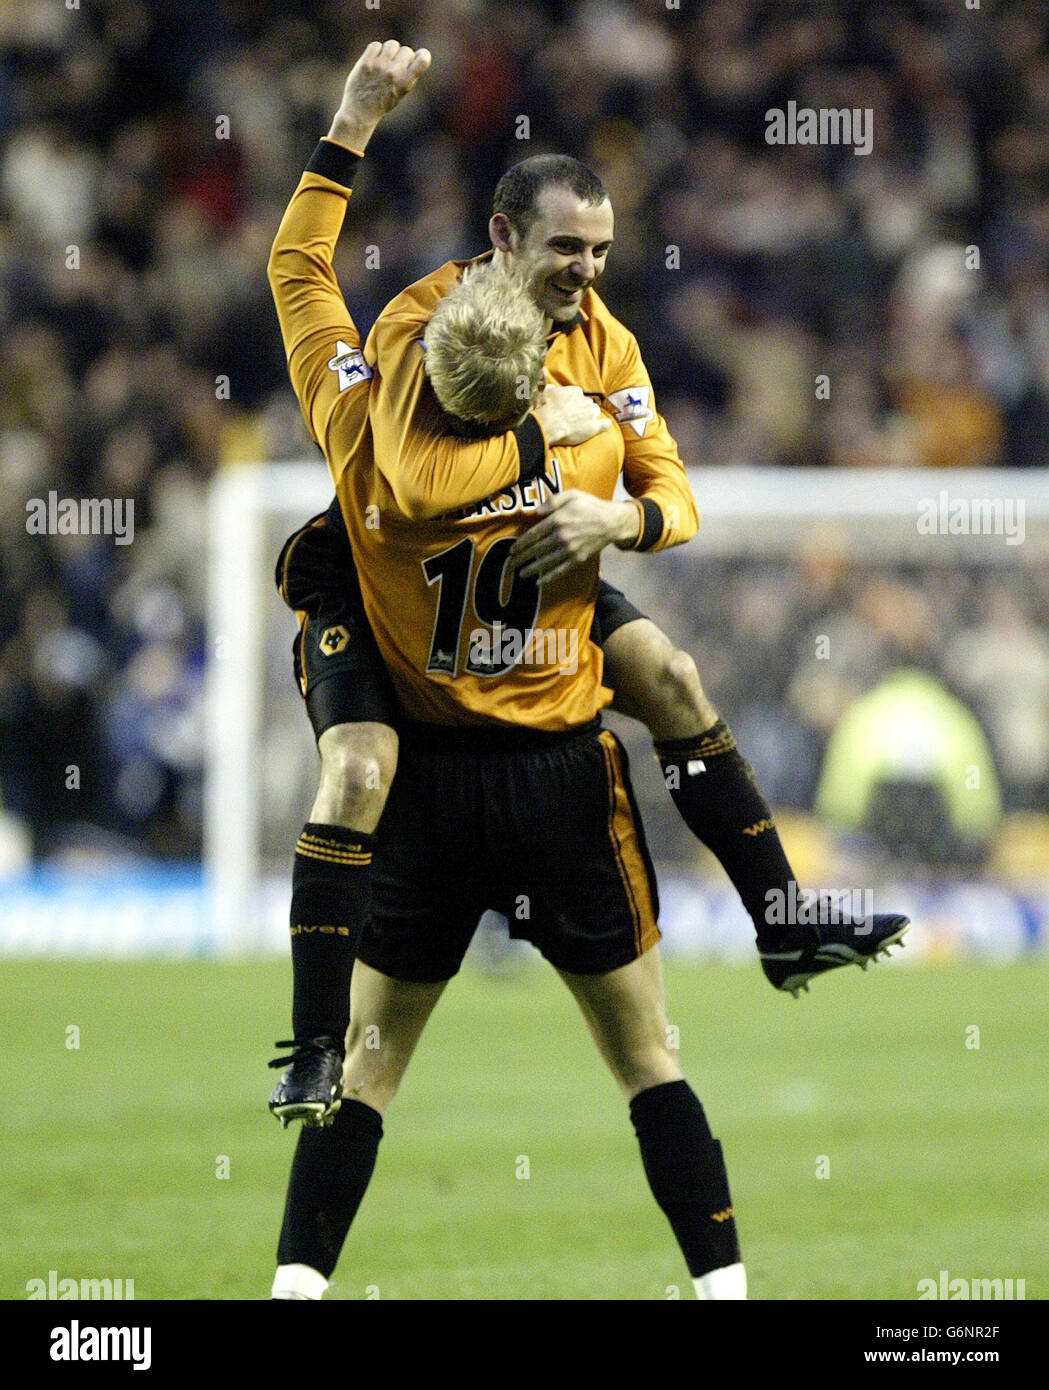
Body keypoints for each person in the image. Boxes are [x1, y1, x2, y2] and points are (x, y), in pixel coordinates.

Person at [267, 40, 909, 1127]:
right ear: (504, 241)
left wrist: (618, 513)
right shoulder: (402, 357)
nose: (588, 270)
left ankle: (784, 915)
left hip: (527, 578)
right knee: (360, 767)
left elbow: (676, 499)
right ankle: (315, 1044)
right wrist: (353, 123)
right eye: (568, 247)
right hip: (384, 594)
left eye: (602, 250)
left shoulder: (597, 343)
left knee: (665, 667)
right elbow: (419, 481)